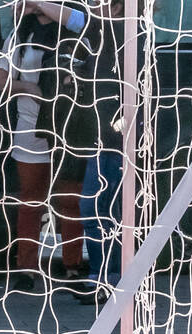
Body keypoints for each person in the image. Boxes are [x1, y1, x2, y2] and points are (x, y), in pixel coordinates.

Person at [0, 0, 94, 289]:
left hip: (68, 129)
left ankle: (73, 266)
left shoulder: (78, 35)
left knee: (70, 201)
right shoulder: (17, 38)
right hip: (29, 127)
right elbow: (2, 81)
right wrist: (28, 87)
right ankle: (26, 268)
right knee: (30, 200)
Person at [74, 0, 125, 307]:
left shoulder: (130, 36)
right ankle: (102, 276)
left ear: (117, 7)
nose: (91, 6)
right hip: (101, 140)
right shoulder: (99, 32)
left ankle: (109, 277)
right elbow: (73, 18)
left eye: (97, 3)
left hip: (121, 143)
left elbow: (74, 17)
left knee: (103, 210)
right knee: (96, 210)